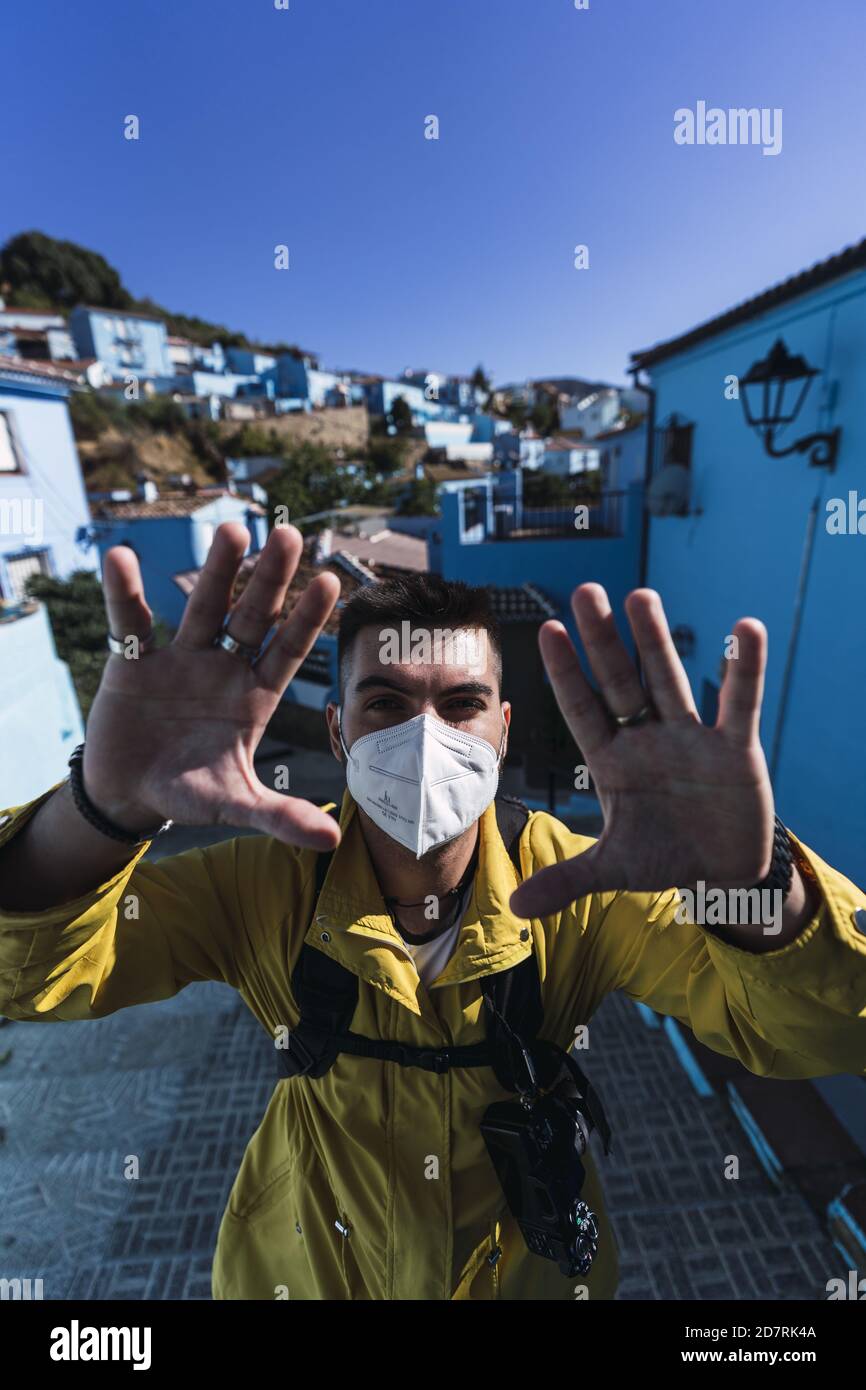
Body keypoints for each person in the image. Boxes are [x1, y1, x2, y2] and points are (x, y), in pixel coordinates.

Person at [0, 521, 863, 1301]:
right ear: (337, 733)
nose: (426, 735)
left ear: (503, 731)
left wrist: (754, 889)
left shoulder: (581, 890)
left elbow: (821, 1033)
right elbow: (37, 978)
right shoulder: (261, 885)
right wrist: (102, 811)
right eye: (386, 703)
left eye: (460, 705)